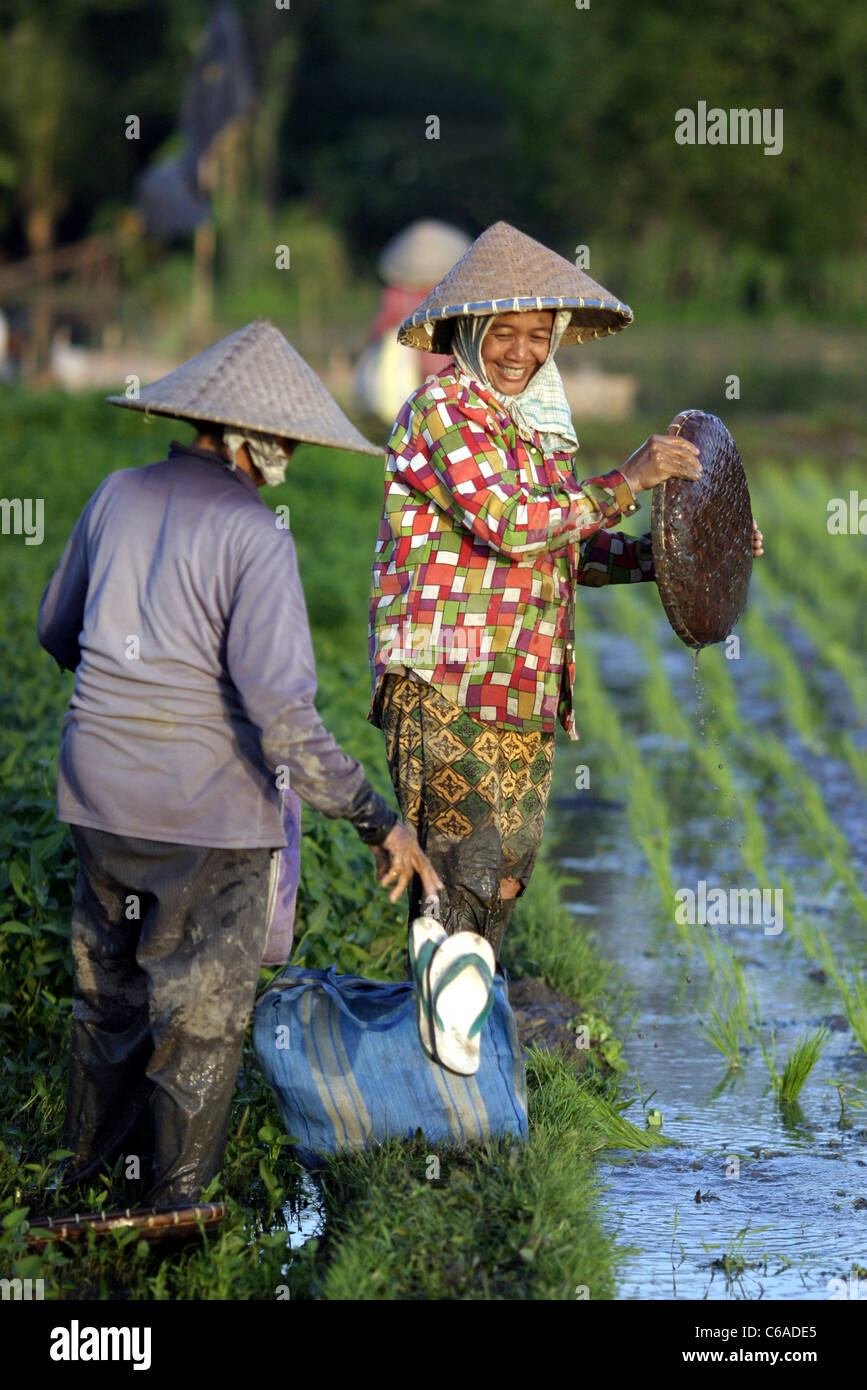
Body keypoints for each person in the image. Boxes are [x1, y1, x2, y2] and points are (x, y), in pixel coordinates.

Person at [38, 319, 442, 1208]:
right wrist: (381, 820)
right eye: (286, 439)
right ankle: (173, 1202)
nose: (289, 452)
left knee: (109, 996)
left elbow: (54, 630)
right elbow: (283, 724)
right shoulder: (254, 536)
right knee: (200, 1015)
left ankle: (85, 1181)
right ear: (254, 441)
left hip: (98, 796)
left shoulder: (113, 494)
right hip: (203, 818)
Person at [368, 222, 763, 962]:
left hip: (521, 683)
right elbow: (514, 526)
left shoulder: (536, 428)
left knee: (502, 881)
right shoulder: (444, 410)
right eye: (502, 333)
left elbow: (565, 547)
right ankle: (442, 1050)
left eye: (537, 333)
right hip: (446, 679)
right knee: (460, 877)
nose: (520, 351)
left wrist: (671, 554)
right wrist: (628, 481)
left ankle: (465, 1040)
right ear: (466, 331)